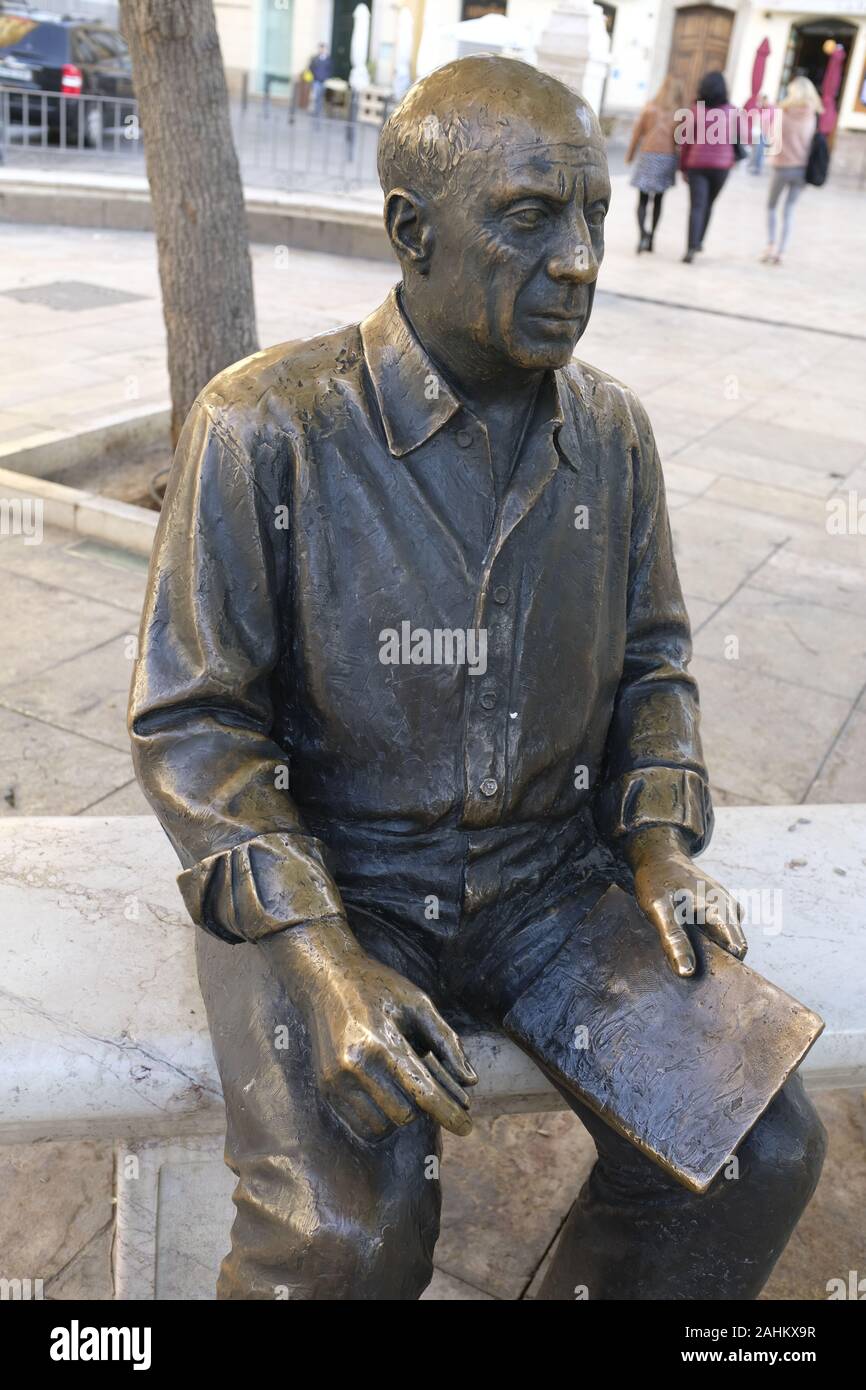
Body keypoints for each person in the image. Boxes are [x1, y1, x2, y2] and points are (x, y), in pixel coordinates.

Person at [129, 56, 826, 1301]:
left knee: (756, 1146)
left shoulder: (608, 436)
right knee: (345, 1243)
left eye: (594, 215)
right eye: (527, 218)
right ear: (412, 233)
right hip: (333, 882)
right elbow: (195, 727)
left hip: (549, 884)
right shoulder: (263, 429)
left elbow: (656, 667)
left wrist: (660, 847)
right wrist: (322, 959)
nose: (580, 261)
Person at [679, 70, 742, 263]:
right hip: (721, 166)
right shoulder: (732, 111)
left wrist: (683, 167)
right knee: (708, 204)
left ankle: (690, 247)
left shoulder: (695, 110)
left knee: (697, 205)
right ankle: (698, 242)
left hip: (697, 164)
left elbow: (686, 142)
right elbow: (737, 139)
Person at [762, 75, 823, 266]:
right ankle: (782, 251)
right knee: (789, 210)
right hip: (801, 170)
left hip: (781, 167)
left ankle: (771, 244)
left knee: (772, 206)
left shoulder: (782, 113)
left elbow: (771, 138)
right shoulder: (813, 116)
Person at [625, 74, 684, 253]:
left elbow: (637, 133)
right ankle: (651, 238)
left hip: (648, 155)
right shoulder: (679, 113)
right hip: (666, 157)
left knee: (642, 199)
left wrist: (630, 154)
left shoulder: (649, 108)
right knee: (658, 200)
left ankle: (642, 235)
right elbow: (680, 141)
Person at [748, 92, 770, 174]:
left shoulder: (769, 110)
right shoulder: (759, 109)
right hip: (757, 131)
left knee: (760, 151)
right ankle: (752, 165)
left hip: (764, 133)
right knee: (755, 150)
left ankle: (757, 167)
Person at [309, 42, 332, 117]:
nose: (322, 50)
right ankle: (315, 111)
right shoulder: (315, 58)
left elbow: (330, 69)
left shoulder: (328, 59)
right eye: (320, 48)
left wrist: (327, 77)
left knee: (321, 97)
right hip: (316, 80)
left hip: (324, 81)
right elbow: (311, 68)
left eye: (323, 48)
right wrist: (314, 75)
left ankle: (319, 111)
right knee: (316, 96)